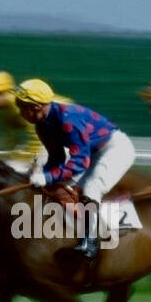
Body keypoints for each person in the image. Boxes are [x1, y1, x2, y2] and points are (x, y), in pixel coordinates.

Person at [13, 78, 136, 258]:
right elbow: (56, 158)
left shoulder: (68, 120)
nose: (20, 112)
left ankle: (91, 241)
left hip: (116, 148)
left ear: (37, 107)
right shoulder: (42, 125)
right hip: (92, 152)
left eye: (22, 107)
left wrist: (46, 177)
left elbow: (80, 163)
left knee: (91, 188)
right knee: (66, 187)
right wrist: (41, 175)